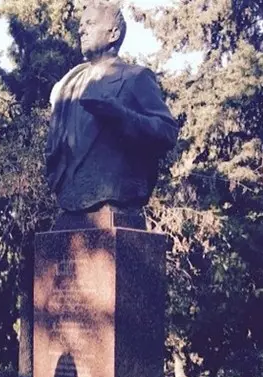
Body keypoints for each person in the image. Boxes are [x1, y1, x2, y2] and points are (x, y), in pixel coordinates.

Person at [46, 0, 179, 222]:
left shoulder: (134, 77)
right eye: (81, 24)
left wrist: (121, 115)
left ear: (113, 34)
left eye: (89, 23)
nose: (81, 29)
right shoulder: (67, 86)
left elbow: (167, 133)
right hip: (71, 200)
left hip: (114, 198)